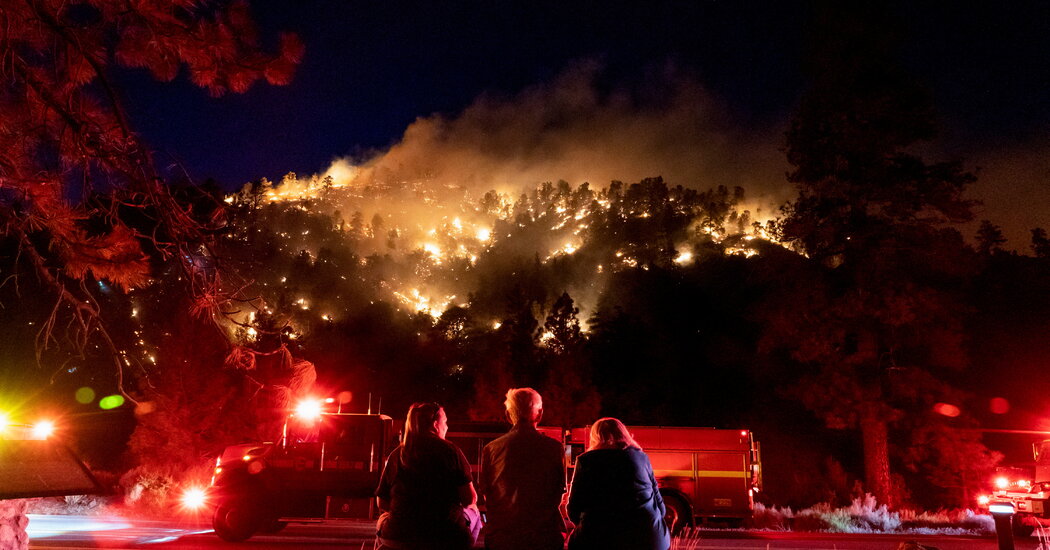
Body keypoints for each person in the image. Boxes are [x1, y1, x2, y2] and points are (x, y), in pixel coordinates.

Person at [375, 403, 481, 550]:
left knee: (383, 519)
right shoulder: (451, 451)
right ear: (435, 424)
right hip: (444, 536)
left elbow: (382, 503)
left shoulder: (397, 455)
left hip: (398, 536)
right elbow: (469, 499)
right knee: (475, 511)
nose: (447, 427)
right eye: (445, 422)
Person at [479, 388, 566, 550]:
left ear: (507, 415)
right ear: (539, 414)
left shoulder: (491, 449)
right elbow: (558, 494)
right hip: (543, 537)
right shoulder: (554, 448)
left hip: (504, 538)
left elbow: (487, 495)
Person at [566, 417, 670, 550]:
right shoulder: (641, 457)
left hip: (600, 537)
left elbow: (574, 509)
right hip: (650, 538)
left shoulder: (586, 461)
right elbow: (661, 508)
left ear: (595, 437)